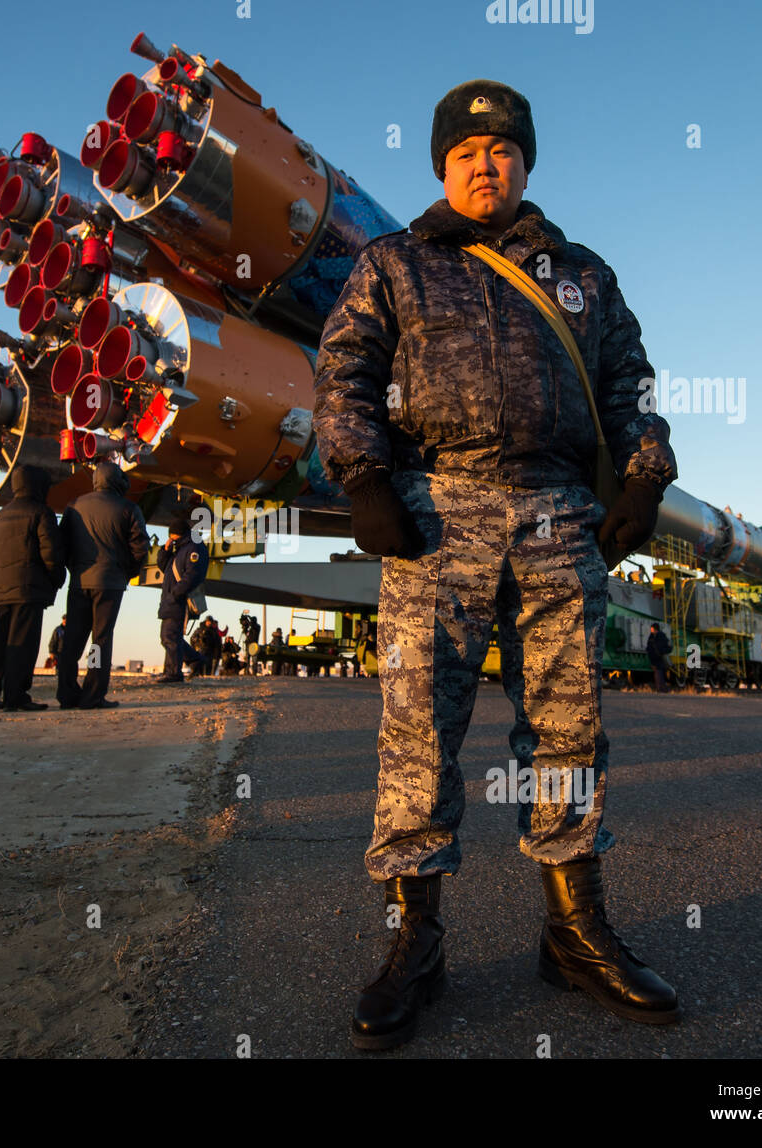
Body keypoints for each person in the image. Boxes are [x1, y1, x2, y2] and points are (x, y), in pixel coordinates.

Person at [312, 80, 680, 1050]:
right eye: (468, 150)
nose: (487, 162)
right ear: (441, 164)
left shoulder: (582, 274)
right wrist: (362, 477)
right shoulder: (395, 263)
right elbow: (345, 365)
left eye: (504, 148)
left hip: (560, 518)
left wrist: (641, 477)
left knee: (566, 731)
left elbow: (629, 380)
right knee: (417, 738)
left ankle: (574, 929)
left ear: (525, 162)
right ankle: (414, 940)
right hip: (439, 515)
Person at [55, 461, 148, 710]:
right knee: (100, 640)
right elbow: (140, 549)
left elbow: (61, 545)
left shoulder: (74, 506)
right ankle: (92, 695)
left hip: (80, 582)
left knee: (73, 640)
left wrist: (74, 569)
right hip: (110, 584)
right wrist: (125, 573)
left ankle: (66, 694)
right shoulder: (129, 508)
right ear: (117, 480)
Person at [0, 465, 65, 712]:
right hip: (30, 590)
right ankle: (16, 697)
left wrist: (2, 578)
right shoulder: (40, 512)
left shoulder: (0, 515)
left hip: (3, 589)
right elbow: (51, 554)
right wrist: (56, 578)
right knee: (23, 645)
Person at [156, 518, 208, 683]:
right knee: (169, 637)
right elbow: (164, 567)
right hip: (170, 598)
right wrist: (165, 551)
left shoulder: (193, 547)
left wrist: (176, 593)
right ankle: (195, 660)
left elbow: (193, 574)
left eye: (172, 536)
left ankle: (173, 673)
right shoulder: (178, 548)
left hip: (179, 599)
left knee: (169, 636)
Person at [646, 623, 672, 693]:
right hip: (655, 658)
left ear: (654, 629)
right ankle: (661, 688)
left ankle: (661, 689)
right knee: (658, 673)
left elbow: (667, 647)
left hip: (659, 658)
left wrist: (661, 652)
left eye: (652, 628)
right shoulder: (653, 636)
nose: (651, 630)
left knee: (659, 673)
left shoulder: (661, 636)